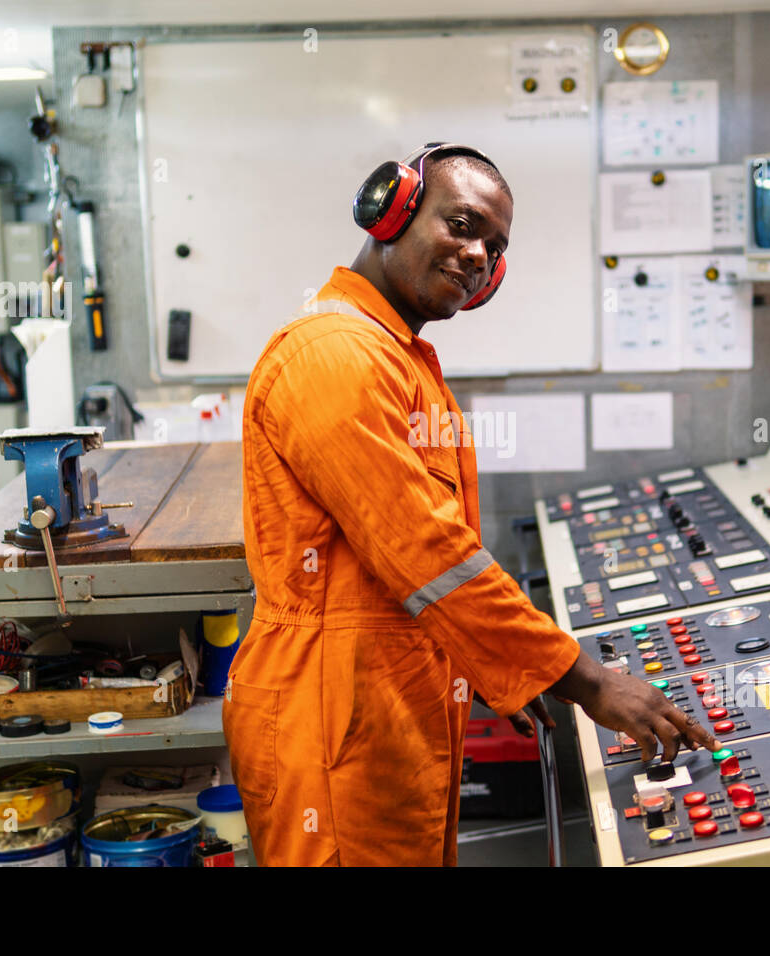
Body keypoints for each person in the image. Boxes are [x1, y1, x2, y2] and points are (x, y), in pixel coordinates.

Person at [224, 143, 720, 866]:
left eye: (494, 246)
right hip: (333, 718)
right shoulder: (332, 357)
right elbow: (426, 550)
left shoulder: (401, 360)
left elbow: (424, 567)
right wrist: (581, 679)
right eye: (461, 224)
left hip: (388, 704)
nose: (477, 254)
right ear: (391, 213)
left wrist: (492, 663)